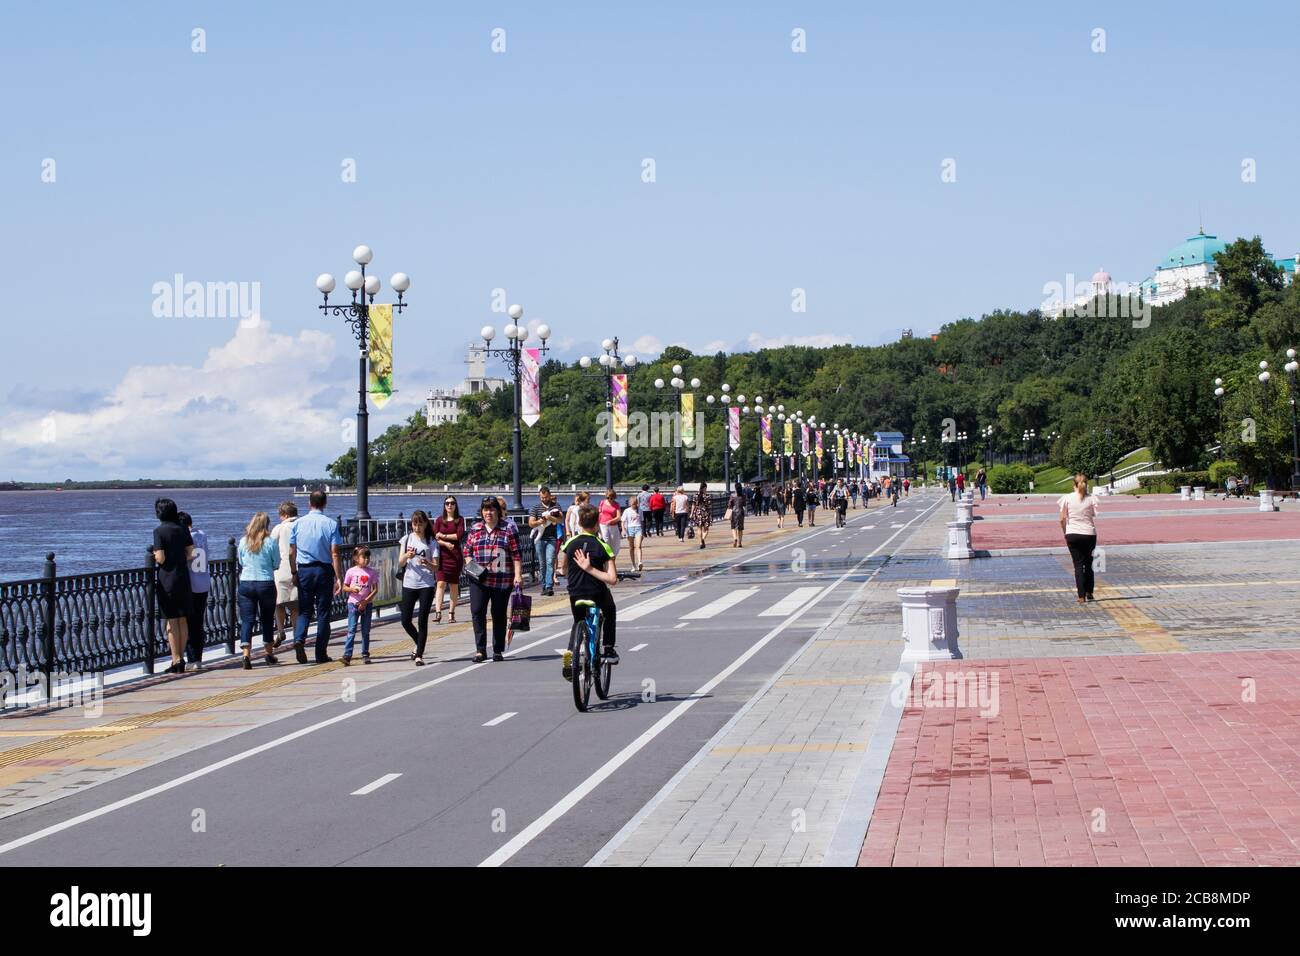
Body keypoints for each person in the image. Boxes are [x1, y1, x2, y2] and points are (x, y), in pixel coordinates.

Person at [561, 504, 619, 679]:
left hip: (575, 592)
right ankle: (608, 649)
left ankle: (570, 654)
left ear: (579, 523)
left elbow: (563, 569)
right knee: (610, 611)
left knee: (578, 620)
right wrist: (590, 569)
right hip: (596, 592)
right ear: (596, 525)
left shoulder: (569, 544)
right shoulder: (602, 546)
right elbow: (612, 579)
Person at [464, 497, 523, 662]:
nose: (488, 513)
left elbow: (516, 554)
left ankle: (497, 649)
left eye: (491, 509)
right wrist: (473, 567)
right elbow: (467, 552)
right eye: (485, 510)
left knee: (498, 614)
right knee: (477, 611)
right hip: (478, 579)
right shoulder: (475, 528)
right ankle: (480, 650)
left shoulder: (508, 529)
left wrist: (518, 575)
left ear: (498, 511)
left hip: (502, 580)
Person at [290, 490, 344, 665]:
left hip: (304, 570)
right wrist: (339, 577)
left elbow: (292, 551)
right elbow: (335, 553)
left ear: (309, 503)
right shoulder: (331, 524)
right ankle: (320, 653)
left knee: (305, 610)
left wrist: (294, 572)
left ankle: (299, 638)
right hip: (323, 570)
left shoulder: (298, 524)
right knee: (323, 612)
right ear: (325, 504)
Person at [151, 498, 194, 674]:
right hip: (183, 578)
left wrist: (154, 556)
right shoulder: (182, 528)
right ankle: (182, 658)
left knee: (171, 622)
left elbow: (160, 558)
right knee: (182, 619)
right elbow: (191, 553)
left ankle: (175, 659)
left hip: (167, 579)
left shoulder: (159, 531)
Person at [236, 511, 281, 670]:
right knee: (267, 619)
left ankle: (246, 655)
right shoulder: (270, 542)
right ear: (266, 525)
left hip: (246, 583)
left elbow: (240, 561)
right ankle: (268, 654)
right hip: (265, 584)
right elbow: (276, 563)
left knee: (247, 620)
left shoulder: (243, 541)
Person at [398, 510, 437, 665]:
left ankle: (419, 654)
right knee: (405, 620)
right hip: (409, 583)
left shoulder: (431, 541)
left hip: (426, 584)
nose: (417, 527)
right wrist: (408, 556)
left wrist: (427, 563)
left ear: (426, 524)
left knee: (422, 620)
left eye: (420, 524)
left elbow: (436, 566)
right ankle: (419, 642)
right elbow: (400, 562)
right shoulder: (406, 539)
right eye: (415, 524)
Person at [1058, 473, 1100, 604]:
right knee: (1088, 563)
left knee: (1078, 565)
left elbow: (1062, 518)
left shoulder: (1067, 498)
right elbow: (1093, 515)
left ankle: (1081, 596)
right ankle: (1089, 592)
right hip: (1089, 534)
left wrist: (1065, 532)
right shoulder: (1092, 498)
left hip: (1073, 534)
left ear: (1074, 485)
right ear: (1087, 484)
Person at [178, 512, 209, 670]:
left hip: (191, 585)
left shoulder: (186, 537)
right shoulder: (202, 535)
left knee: (189, 623)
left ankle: (191, 659)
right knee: (198, 623)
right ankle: (198, 657)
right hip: (204, 582)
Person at [341, 545, 378, 666]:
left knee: (365, 630)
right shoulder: (351, 571)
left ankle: (365, 653)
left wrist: (366, 601)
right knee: (351, 629)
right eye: (363, 557)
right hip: (353, 603)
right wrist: (352, 589)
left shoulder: (372, 572)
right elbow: (344, 587)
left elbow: (375, 589)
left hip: (366, 604)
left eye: (368, 557)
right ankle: (347, 655)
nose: (366, 560)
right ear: (356, 558)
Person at [270, 501, 298, 649]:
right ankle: (296, 635)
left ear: (285, 515)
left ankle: (280, 630)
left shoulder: (279, 528)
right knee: (295, 606)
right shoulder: (301, 525)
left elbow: (270, 545)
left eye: (280, 515)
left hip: (280, 571)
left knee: (279, 604)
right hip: (297, 571)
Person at [434, 496, 465, 622]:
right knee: (440, 583)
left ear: (455, 505)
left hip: (455, 556)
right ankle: (438, 612)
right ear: (444, 505)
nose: (450, 505)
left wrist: (444, 535)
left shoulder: (460, 520)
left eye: (452, 503)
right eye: (447, 503)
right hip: (442, 556)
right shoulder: (439, 520)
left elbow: (459, 535)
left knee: (453, 585)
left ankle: (451, 613)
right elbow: (435, 536)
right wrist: (446, 543)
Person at [529, 487, 563, 597]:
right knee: (542, 563)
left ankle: (549, 586)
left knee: (550, 561)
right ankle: (543, 585)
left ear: (549, 495)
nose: (544, 499)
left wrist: (550, 517)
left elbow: (560, 520)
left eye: (546, 497)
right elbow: (531, 523)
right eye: (542, 497)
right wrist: (540, 521)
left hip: (552, 538)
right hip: (539, 539)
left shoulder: (556, 506)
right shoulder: (535, 507)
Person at [558, 491, 589, 577]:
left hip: (583, 532)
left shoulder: (587, 508)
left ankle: (580, 568)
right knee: (570, 549)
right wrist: (568, 531)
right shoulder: (573, 508)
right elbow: (568, 521)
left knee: (582, 551)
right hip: (574, 532)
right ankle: (566, 568)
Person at [621, 494, 644, 570]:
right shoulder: (627, 511)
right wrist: (623, 530)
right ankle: (633, 564)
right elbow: (623, 521)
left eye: (636, 504)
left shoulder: (640, 510)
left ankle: (640, 562)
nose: (635, 505)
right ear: (630, 503)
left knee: (638, 546)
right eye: (633, 504)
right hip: (629, 529)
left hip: (638, 528)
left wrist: (643, 532)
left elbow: (642, 521)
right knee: (631, 548)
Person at [598, 488, 622, 558]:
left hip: (613, 525)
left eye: (611, 498)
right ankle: (606, 556)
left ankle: (613, 556)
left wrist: (611, 521)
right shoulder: (602, 502)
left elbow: (618, 517)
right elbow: (599, 513)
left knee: (614, 542)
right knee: (605, 540)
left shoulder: (616, 504)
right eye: (608, 497)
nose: (609, 499)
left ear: (614, 497)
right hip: (602, 524)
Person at [690, 482, 713, 549]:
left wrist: (691, 513)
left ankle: (700, 542)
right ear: (705, 488)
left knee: (699, 528)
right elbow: (709, 505)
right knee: (706, 528)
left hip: (698, 512)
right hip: (705, 513)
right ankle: (703, 539)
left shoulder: (695, 495)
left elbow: (693, 505)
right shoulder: (707, 496)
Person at [728, 483, 745, 547]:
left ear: (735, 488)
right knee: (740, 528)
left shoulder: (732, 495)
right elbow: (744, 504)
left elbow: (729, 504)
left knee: (733, 527)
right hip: (741, 512)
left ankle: (735, 539)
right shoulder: (743, 496)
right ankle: (740, 543)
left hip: (734, 512)